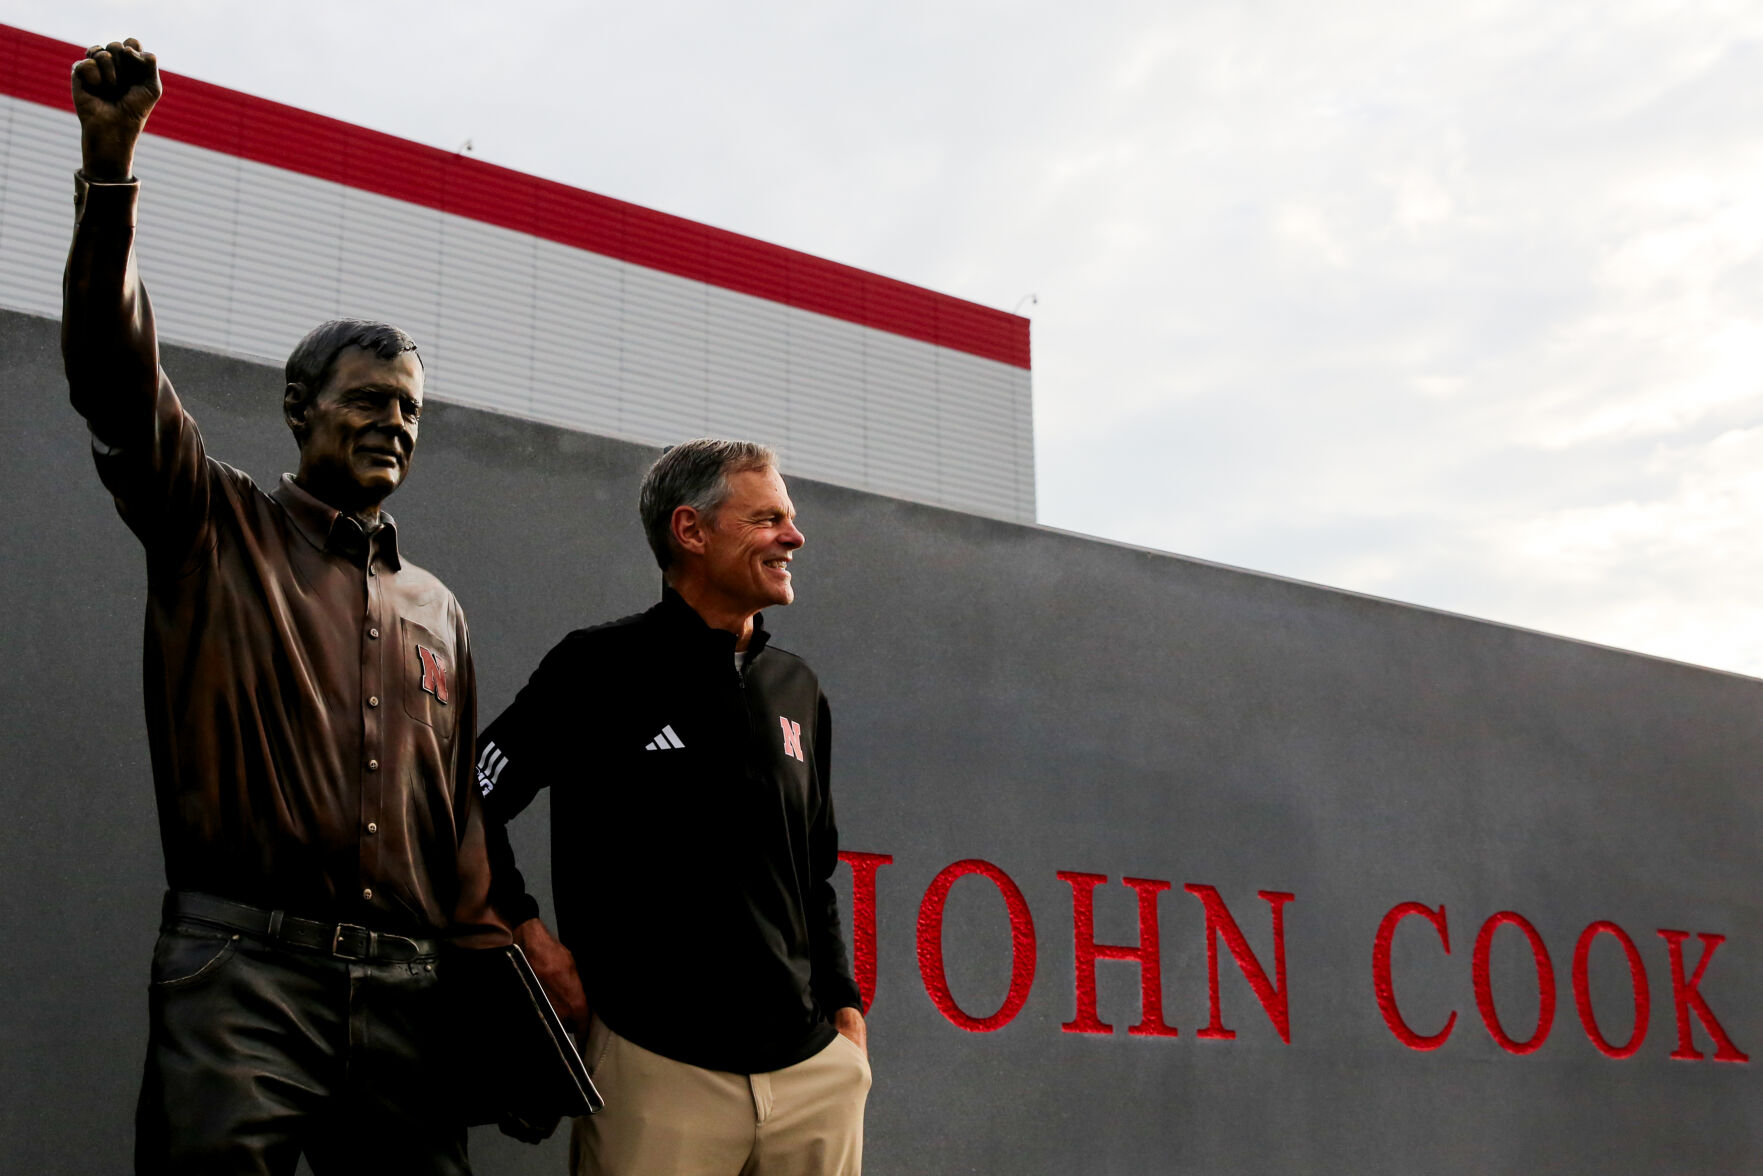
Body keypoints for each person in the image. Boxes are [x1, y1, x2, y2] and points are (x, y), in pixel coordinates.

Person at [64, 39, 506, 1174]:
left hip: (408, 997)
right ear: (300, 408)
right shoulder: (212, 526)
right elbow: (114, 376)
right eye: (367, 400)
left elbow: (457, 822)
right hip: (241, 982)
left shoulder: (439, 610)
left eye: (410, 410)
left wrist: (492, 973)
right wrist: (110, 172)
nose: (394, 423)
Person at [478, 439, 871, 1176]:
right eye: (767, 519)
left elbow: (813, 875)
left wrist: (845, 1015)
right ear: (690, 530)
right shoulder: (596, 667)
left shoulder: (798, 688)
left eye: (789, 519)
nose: (794, 537)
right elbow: (467, 799)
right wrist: (525, 934)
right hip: (654, 1068)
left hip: (813, 1077)